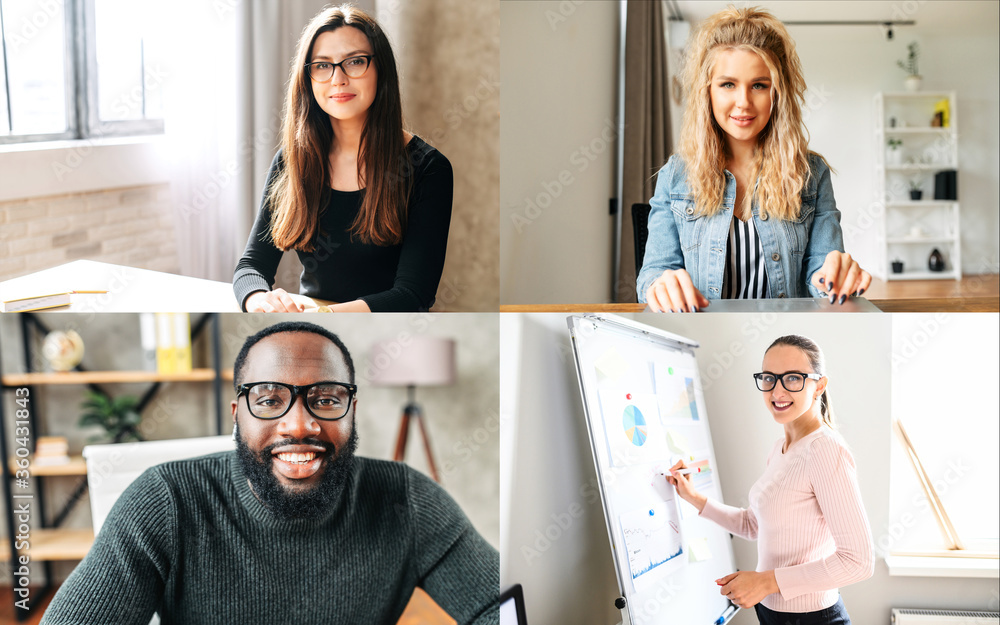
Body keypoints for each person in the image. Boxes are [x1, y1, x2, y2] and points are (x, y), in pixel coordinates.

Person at [41, 321, 499, 625]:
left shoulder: (408, 500)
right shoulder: (165, 501)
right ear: (237, 413)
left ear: (351, 411)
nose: (300, 424)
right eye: (268, 399)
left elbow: (501, 610)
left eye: (325, 398)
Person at [637, 7, 871, 312]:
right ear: (707, 92)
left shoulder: (812, 174)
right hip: (704, 342)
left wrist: (833, 279)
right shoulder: (675, 176)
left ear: (778, 93)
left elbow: (820, 276)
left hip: (786, 343)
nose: (744, 102)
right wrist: (659, 285)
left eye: (759, 85)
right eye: (728, 84)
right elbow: (651, 276)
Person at [234, 5, 453, 312]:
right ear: (308, 78)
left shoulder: (428, 168)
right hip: (314, 319)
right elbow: (251, 267)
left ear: (381, 70)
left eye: (355, 62)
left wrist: (325, 314)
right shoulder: (293, 159)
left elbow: (413, 294)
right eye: (322, 66)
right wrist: (261, 301)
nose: (338, 78)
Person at [665, 335, 873, 624]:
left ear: (819, 386)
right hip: (771, 613)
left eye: (792, 378)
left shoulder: (826, 450)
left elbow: (858, 562)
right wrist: (694, 498)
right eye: (769, 378)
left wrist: (767, 582)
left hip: (813, 619)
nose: (777, 391)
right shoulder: (781, 448)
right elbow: (754, 525)